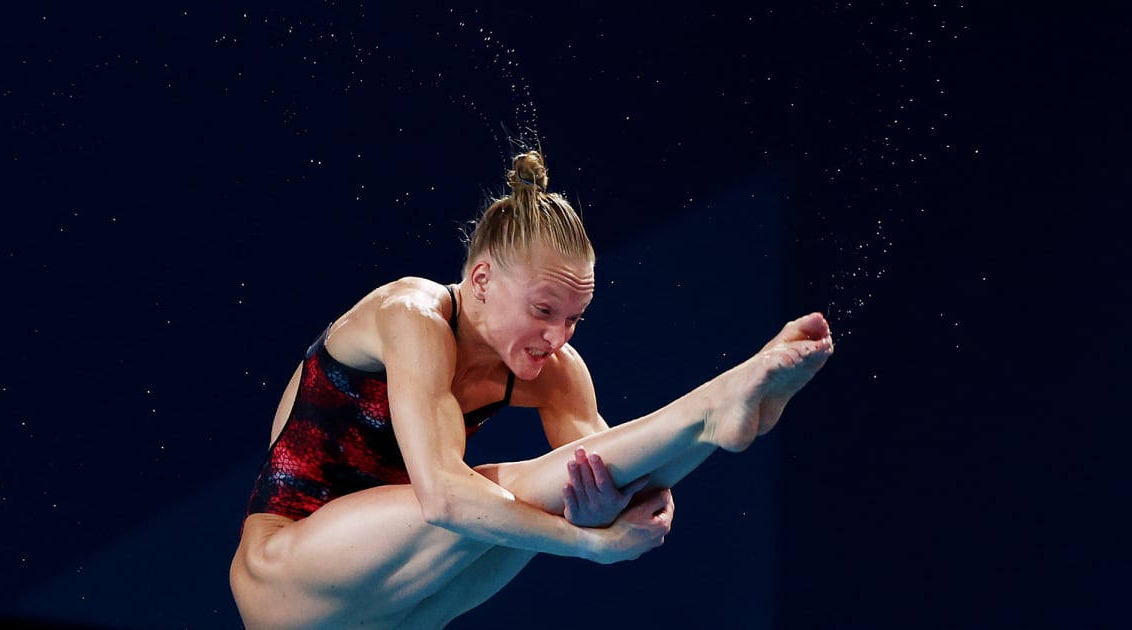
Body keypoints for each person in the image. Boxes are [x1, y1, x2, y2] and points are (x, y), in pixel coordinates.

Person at [229, 150, 834, 630]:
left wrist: (604, 510)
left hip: (397, 611)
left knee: (574, 483)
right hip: (288, 584)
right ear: (482, 279)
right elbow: (442, 499)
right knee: (504, 488)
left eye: (573, 318)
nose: (557, 336)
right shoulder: (411, 314)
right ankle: (716, 403)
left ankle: (723, 421)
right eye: (543, 309)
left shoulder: (556, 372)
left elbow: (614, 480)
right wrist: (584, 543)